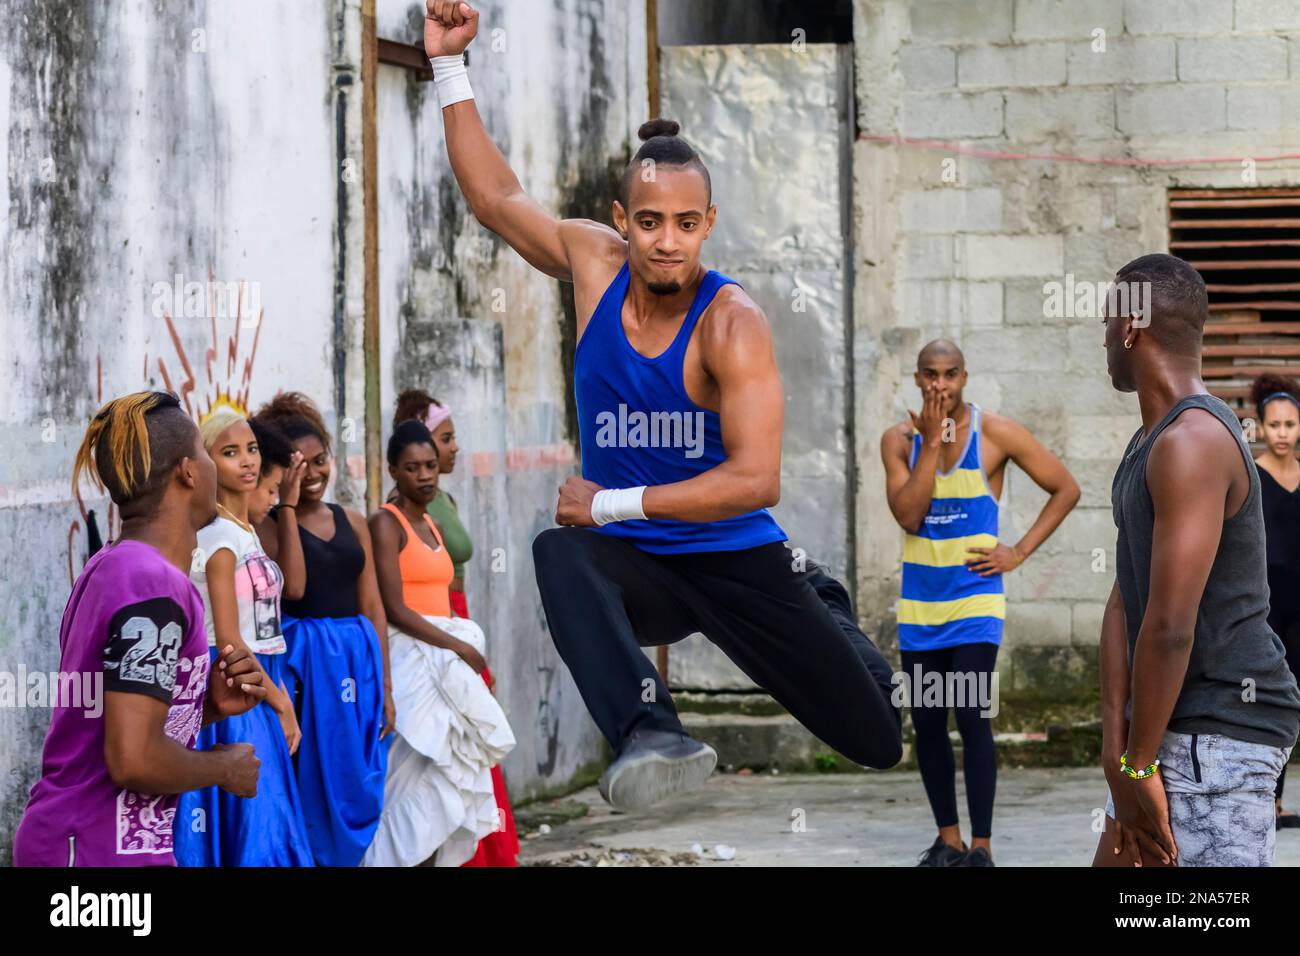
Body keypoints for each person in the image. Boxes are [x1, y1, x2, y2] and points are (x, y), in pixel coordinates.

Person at [425, 0, 902, 812]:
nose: (668, 242)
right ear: (622, 222)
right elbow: (497, 201)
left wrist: (608, 502)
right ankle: (650, 730)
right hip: (643, 566)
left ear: (708, 223)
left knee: (876, 737)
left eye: (686, 223)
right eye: (649, 223)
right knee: (559, 551)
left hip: (735, 555)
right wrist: (446, 65)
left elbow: (757, 481)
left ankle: (820, 598)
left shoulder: (732, 324)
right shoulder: (594, 268)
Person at [1093, 254, 1300, 868]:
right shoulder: (1150, 442)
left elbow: (1170, 627)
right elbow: (1126, 596)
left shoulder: (1194, 441)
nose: (1104, 339)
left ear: (1131, 326)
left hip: (1220, 733)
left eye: (1107, 323)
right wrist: (1117, 749)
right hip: (1158, 735)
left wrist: (1138, 760)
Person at [13, 391, 266, 866]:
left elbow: (114, 720)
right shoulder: (150, 582)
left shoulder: (116, 565)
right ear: (189, 471)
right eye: (207, 455)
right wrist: (223, 767)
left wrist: (204, 705)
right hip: (89, 848)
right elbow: (132, 758)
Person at [881, 339, 1079, 867]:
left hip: (974, 602)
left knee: (970, 713)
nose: (940, 385)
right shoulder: (898, 442)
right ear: (917, 379)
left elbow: (1066, 488)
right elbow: (909, 516)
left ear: (965, 377)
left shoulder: (995, 434)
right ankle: (948, 840)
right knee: (926, 721)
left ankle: (982, 848)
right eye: (930, 375)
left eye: (950, 375)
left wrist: (1017, 551)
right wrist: (927, 442)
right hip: (921, 606)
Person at [364, 420, 515, 866]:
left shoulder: (430, 519)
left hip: (443, 663)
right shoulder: (385, 524)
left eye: (430, 465)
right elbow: (393, 607)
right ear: (393, 470)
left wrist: (464, 659)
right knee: (410, 786)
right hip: (411, 662)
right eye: (412, 468)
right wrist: (460, 649)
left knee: (444, 787)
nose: (425, 475)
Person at [256, 392, 393, 867]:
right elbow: (291, 592)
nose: (312, 474)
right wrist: (288, 507)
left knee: (355, 770)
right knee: (310, 774)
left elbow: (374, 606)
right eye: (299, 466)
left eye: (320, 462)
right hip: (306, 668)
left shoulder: (353, 521)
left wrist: (387, 690)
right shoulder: (269, 526)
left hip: (358, 661)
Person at [176, 406, 314, 867]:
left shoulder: (247, 533)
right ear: (209, 465)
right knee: (257, 819)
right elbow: (230, 644)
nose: (248, 461)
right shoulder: (217, 539)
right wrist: (280, 701)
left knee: (269, 812)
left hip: (261, 679)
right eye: (230, 453)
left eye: (251, 449)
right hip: (236, 687)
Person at [1247, 373, 1300, 827]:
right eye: (1275, 425)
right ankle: (1272, 799)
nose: (1283, 433)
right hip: (1265, 610)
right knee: (1270, 703)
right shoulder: (1251, 476)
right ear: (1261, 427)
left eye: (1290, 425)